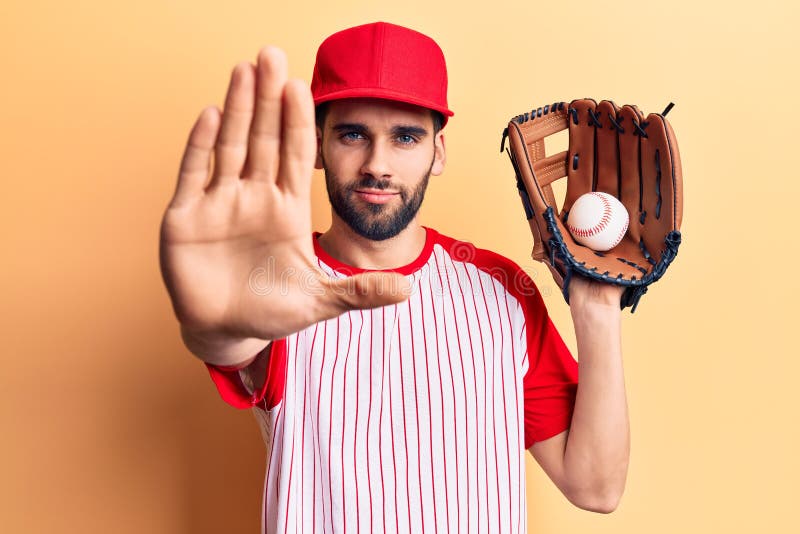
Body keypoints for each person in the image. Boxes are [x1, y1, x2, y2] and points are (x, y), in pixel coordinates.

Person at [159, 21, 629, 534]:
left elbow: (596, 486)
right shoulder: (278, 286)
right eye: (353, 134)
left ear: (438, 151)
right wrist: (211, 328)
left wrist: (597, 308)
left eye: (405, 136)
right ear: (317, 146)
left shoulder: (502, 290)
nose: (377, 164)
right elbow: (229, 339)